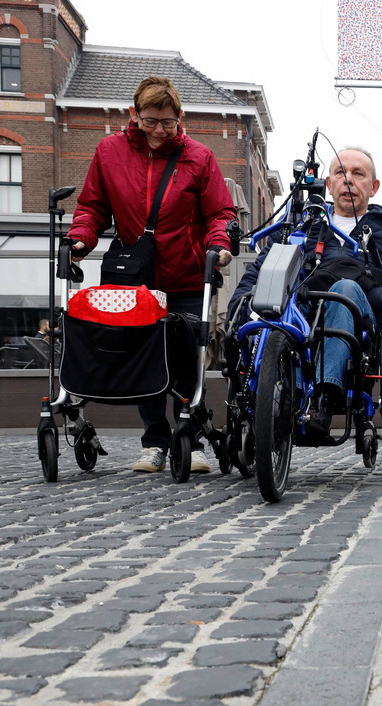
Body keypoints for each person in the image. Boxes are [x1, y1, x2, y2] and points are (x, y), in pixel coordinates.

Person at [68, 75, 236, 474]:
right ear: (134, 115)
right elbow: (92, 207)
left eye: (168, 122)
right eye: (150, 121)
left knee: (186, 360)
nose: (159, 131)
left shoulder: (199, 157)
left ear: (180, 118)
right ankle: (155, 441)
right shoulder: (109, 153)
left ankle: (191, 440)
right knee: (142, 359)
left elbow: (220, 213)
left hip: (188, 275)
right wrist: (80, 239)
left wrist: (220, 245)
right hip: (135, 277)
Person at [229, 146, 382, 434]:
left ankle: (322, 402)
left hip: (360, 323)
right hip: (303, 311)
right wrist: (241, 308)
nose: (348, 180)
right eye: (340, 173)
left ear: (373, 187)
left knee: (344, 290)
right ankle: (285, 396)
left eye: (358, 174)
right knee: (282, 309)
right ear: (329, 183)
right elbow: (260, 273)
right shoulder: (301, 223)